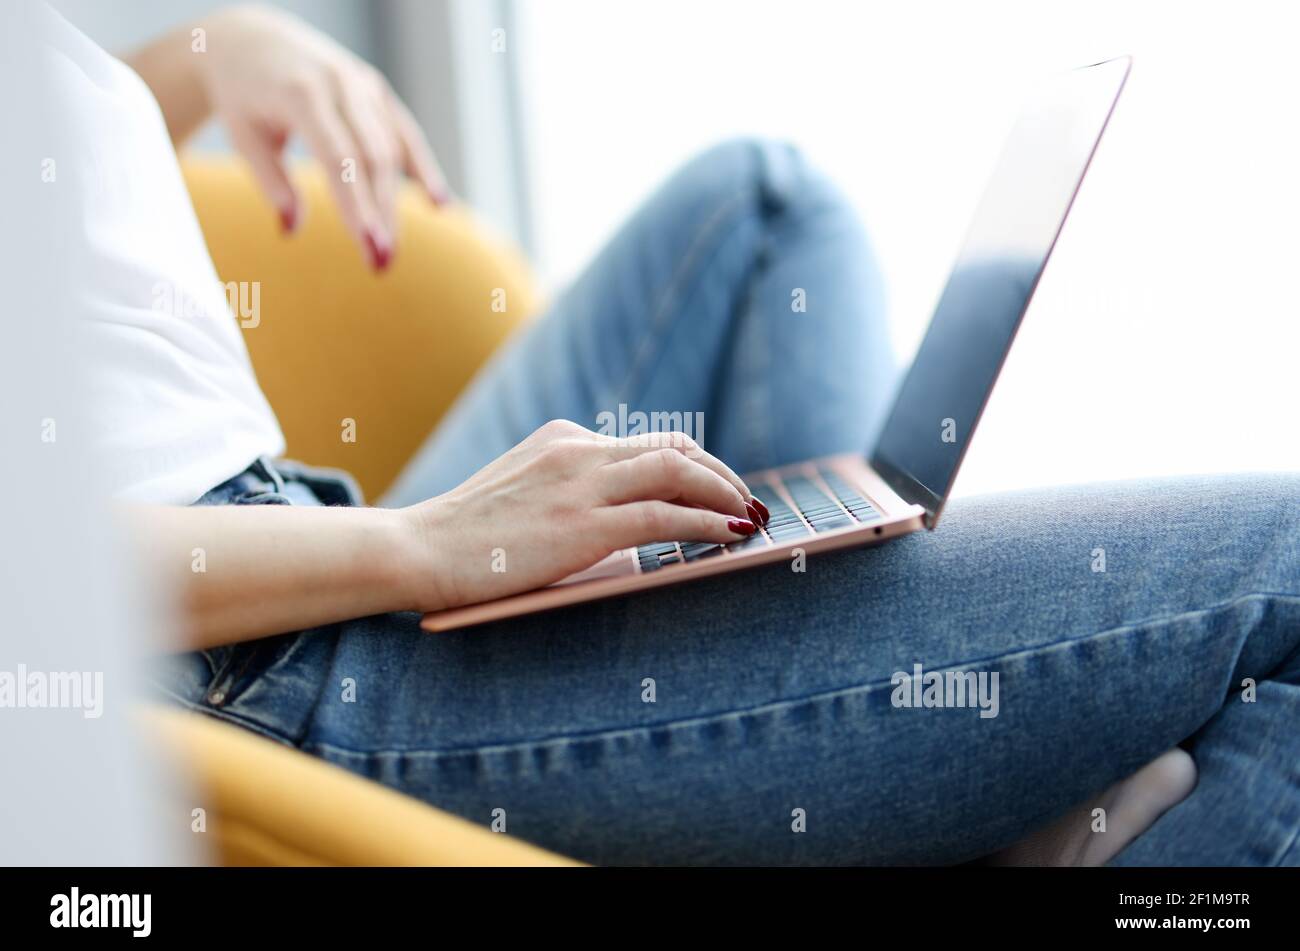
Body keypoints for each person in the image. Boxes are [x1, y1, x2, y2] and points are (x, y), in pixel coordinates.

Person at [22, 2, 1298, 865]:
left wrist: (205, 54)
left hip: (283, 536)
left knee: (759, 206)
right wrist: (423, 548)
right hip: (236, 660)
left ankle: (865, 759)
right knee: (1283, 591)